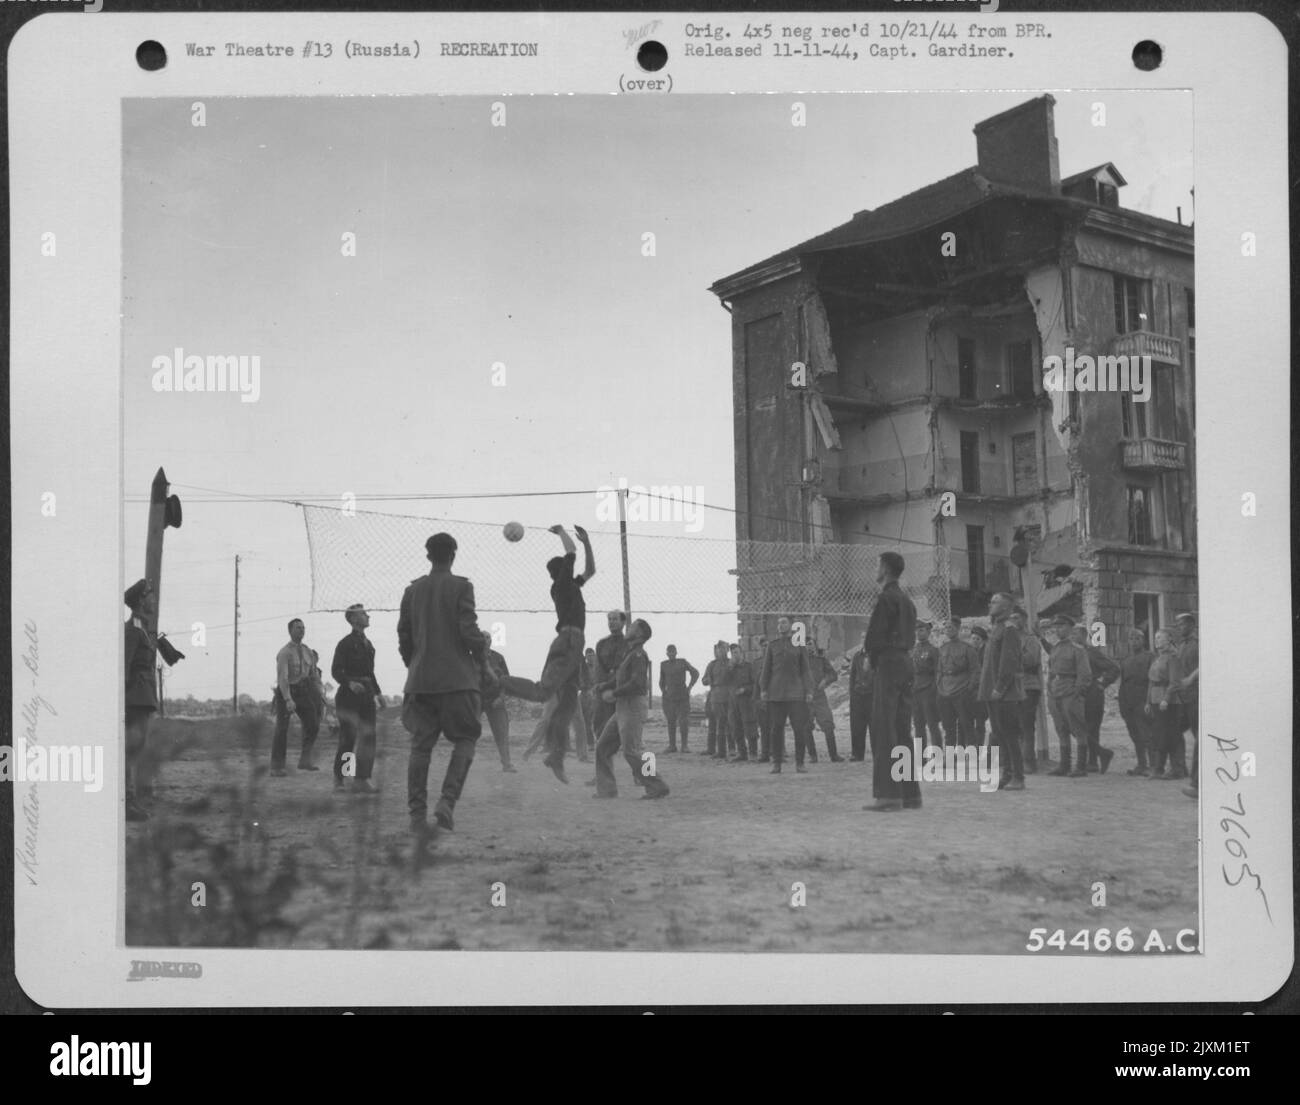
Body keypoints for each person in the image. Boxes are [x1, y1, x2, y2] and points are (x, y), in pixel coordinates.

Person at [398, 532, 487, 839]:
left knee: (420, 746)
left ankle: (416, 816)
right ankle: (447, 803)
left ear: (428, 556)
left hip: (420, 681)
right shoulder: (462, 586)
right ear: (453, 555)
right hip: (457, 682)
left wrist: (416, 664)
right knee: (465, 739)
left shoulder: (412, 591)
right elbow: (468, 630)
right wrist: (481, 649)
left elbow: (404, 636)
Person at [500, 524, 595, 784]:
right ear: (561, 571)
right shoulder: (562, 584)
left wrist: (588, 544)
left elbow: (591, 571)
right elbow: (571, 552)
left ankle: (556, 755)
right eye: (566, 566)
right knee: (544, 692)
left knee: (567, 702)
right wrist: (562, 532)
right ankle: (498, 682)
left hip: (573, 642)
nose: (571, 567)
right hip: (568, 640)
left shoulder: (571, 585)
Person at [863, 553, 920, 811]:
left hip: (888, 663)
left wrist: (870, 658)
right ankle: (909, 794)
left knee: (884, 728)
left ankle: (888, 795)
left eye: (877, 565)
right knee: (901, 729)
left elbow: (875, 635)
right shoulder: (908, 601)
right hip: (906, 662)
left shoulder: (886, 598)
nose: (875, 569)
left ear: (885, 569)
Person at [592, 619, 670, 799]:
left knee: (632, 751)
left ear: (640, 634)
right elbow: (621, 679)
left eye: (633, 626)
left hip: (632, 706)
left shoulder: (638, 656)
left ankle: (658, 786)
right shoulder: (630, 653)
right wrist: (604, 686)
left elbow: (637, 683)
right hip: (623, 707)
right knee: (603, 747)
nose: (629, 628)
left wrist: (614, 693)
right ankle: (607, 790)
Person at [331, 604, 383, 795]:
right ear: (353, 619)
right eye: (363, 613)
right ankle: (341, 778)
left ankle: (362, 779)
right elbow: (336, 670)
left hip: (367, 696)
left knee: (368, 737)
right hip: (348, 697)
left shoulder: (369, 645)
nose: (367, 616)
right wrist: (349, 683)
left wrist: (378, 693)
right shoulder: (345, 644)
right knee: (349, 738)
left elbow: (370, 673)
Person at [979, 592, 1026, 790]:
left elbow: (1009, 662)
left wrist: (999, 687)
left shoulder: (1009, 630)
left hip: (1004, 693)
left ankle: (1018, 777)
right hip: (992, 691)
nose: (991, 603)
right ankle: (1006, 775)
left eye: (996, 601)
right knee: (999, 734)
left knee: (1010, 735)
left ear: (1006, 607)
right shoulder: (996, 628)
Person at [758, 617, 815, 774]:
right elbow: (766, 669)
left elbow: (805, 670)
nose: (780, 625)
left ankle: (800, 763)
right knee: (776, 729)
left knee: (799, 729)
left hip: (796, 695)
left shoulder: (799, 645)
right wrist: (763, 689)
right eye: (778, 623)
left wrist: (809, 691)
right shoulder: (772, 645)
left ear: (790, 626)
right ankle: (776, 763)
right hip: (776, 695)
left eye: (783, 622)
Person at [123, 579, 157, 822]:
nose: (153, 600)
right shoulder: (133, 630)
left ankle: (133, 798)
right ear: (141, 600)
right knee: (129, 751)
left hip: (141, 697)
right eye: (150, 596)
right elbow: (124, 669)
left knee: (135, 750)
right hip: (134, 698)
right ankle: (127, 802)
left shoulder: (140, 627)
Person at [272, 618, 323, 776]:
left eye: (303, 628)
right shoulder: (284, 652)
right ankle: (277, 767)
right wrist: (288, 699)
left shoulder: (308, 651)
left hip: (303, 692)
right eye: (298, 628)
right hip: (286, 692)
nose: (301, 630)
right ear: (290, 631)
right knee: (282, 729)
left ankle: (305, 760)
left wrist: (318, 692)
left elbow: (313, 675)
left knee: (313, 724)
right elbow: (282, 678)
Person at [1044, 615, 1092, 777]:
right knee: (1061, 729)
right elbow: (1051, 670)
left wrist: (1076, 692)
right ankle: (1064, 765)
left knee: (1078, 729)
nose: (1058, 630)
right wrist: (1050, 688)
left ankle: (1080, 766)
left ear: (1070, 628)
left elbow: (1084, 675)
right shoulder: (1056, 648)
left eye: (1062, 626)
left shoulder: (1078, 649)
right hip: (1055, 693)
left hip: (1070, 692)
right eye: (1056, 627)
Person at [1071, 624, 1118, 773]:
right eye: (1072, 634)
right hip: (1079, 693)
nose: (1073, 637)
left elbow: (1114, 668)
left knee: (1092, 727)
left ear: (1084, 635)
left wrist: (1102, 683)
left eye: (1076, 634)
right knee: (1078, 726)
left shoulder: (1092, 652)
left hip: (1093, 694)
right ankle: (1097, 756)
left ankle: (1092, 762)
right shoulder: (1074, 652)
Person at [1145, 629, 1188, 780]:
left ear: (1169, 640)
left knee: (1171, 735)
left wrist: (1166, 699)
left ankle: (1177, 769)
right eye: (1156, 638)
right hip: (1156, 700)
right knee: (1159, 734)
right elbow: (1151, 680)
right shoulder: (1157, 658)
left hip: (1170, 702)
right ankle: (1158, 768)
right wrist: (1148, 701)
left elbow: (1175, 682)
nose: (1157, 641)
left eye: (1160, 638)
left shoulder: (1173, 658)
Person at [936, 617, 979, 749]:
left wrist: (969, 688)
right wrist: (939, 687)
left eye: (951, 628)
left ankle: (972, 758)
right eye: (946, 628)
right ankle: (949, 758)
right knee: (948, 728)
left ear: (958, 629)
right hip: (945, 691)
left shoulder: (967, 648)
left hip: (962, 691)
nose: (948, 630)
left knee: (967, 726)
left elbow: (975, 670)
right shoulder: (942, 648)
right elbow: (939, 670)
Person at [1117, 628, 1154, 776]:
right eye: (1131, 639)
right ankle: (1141, 764)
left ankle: (1154, 765)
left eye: (1137, 639)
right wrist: (1122, 703)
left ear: (1143, 641)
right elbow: (1123, 682)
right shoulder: (1126, 660)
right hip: (1128, 700)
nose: (1134, 642)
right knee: (1135, 734)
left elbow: (1152, 680)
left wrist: (1148, 701)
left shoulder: (1150, 657)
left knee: (1147, 734)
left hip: (1142, 698)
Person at [1012, 609, 1044, 773]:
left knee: (1026, 725)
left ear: (1024, 620)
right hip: (1012, 687)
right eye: (1011, 618)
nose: (1013, 621)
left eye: (1016, 618)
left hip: (1028, 685)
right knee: (1014, 725)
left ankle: (1029, 761)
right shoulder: (1009, 639)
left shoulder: (1030, 639)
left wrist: (1012, 657)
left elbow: (1031, 660)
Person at [480, 631, 516, 772]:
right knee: (467, 733)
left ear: (491, 640)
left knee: (502, 732)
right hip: (477, 700)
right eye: (482, 637)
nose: (485, 639)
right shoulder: (471, 658)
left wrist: (501, 698)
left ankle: (507, 764)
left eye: (488, 637)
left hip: (495, 700)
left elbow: (506, 681)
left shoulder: (498, 658)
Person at [1172, 613, 1199, 798]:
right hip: (1182, 697)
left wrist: (1192, 677)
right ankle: (1178, 768)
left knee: (1200, 740)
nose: (1179, 627)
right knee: (1171, 730)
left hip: (1197, 696)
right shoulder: (1181, 645)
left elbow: (1207, 661)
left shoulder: (1199, 643)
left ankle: (1196, 784)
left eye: (1182, 624)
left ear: (1191, 624)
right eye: (1177, 625)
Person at [658, 644, 699, 753]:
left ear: (676, 653)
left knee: (683, 721)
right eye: (669, 652)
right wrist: (664, 692)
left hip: (682, 697)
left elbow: (695, 673)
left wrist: (690, 687)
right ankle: (672, 746)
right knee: (671, 721)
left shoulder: (682, 662)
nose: (671, 654)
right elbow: (661, 682)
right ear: (666, 653)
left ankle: (684, 746)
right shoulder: (664, 665)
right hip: (669, 698)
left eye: (673, 652)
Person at [808, 645, 843, 761]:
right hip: (805, 699)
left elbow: (833, 675)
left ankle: (834, 755)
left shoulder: (821, 660)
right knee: (806, 727)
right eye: (806, 644)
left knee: (828, 725)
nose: (809, 647)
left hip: (819, 698)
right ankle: (813, 756)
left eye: (811, 644)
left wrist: (825, 680)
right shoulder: (798, 661)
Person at [910, 621, 942, 749]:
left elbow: (937, 672)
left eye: (922, 630)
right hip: (915, 691)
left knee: (932, 724)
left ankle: (937, 754)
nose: (919, 632)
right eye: (917, 630)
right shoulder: (913, 650)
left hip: (928, 691)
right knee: (918, 725)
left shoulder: (933, 651)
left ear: (928, 633)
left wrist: (934, 690)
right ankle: (921, 757)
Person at [727, 643, 758, 761]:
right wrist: (730, 668)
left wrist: (745, 689)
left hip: (747, 701)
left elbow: (755, 684)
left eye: (737, 652)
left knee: (750, 726)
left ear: (742, 653)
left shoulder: (749, 667)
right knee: (736, 727)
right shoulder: (729, 668)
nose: (735, 655)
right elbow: (725, 681)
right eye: (733, 653)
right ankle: (742, 753)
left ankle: (753, 754)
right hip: (733, 702)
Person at [702, 641, 732, 758]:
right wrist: (708, 680)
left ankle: (728, 750)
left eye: (723, 649)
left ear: (727, 650)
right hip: (714, 697)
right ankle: (711, 749)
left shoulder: (731, 663)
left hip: (728, 697)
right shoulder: (712, 665)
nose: (721, 651)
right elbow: (704, 680)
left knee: (728, 724)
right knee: (713, 724)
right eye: (719, 649)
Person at [845, 635, 873, 762]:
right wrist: (852, 695)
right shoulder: (857, 656)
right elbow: (852, 676)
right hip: (858, 696)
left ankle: (877, 754)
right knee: (857, 726)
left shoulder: (877, 657)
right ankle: (857, 754)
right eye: (863, 639)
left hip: (873, 696)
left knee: (875, 727)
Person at [967, 626, 989, 745]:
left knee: (980, 722)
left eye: (977, 639)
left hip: (981, 691)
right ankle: (971, 748)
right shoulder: (970, 652)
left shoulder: (985, 653)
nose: (974, 641)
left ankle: (978, 747)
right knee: (968, 721)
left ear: (983, 640)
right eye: (973, 638)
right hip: (971, 692)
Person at [754, 636, 773, 761]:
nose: (765, 648)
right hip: (761, 700)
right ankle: (765, 754)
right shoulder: (756, 663)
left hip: (775, 699)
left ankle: (779, 753)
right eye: (763, 646)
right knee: (764, 728)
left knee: (776, 727)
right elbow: (754, 682)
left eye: (767, 645)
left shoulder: (776, 661)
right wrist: (756, 699)